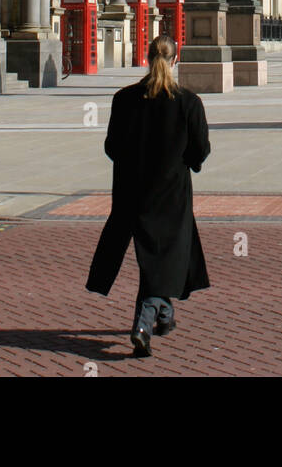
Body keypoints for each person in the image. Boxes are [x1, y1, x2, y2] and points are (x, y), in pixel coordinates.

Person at [85, 35, 210, 358]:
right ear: (176, 58)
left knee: (152, 257)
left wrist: (132, 164)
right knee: (164, 255)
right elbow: (200, 150)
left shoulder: (124, 99)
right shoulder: (188, 102)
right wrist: (186, 164)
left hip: (132, 190)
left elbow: (112, 146)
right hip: (170, 194)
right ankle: (143, 323)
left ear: (146, 56)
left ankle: (164, 316)